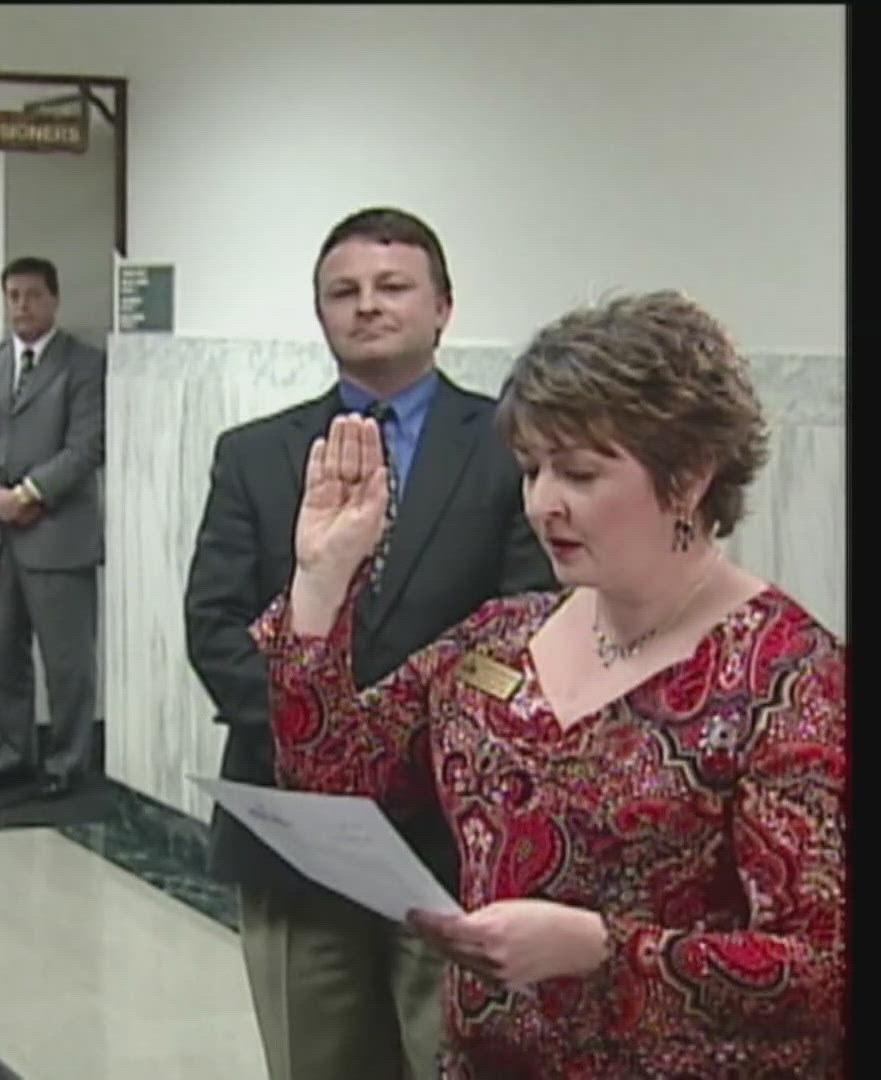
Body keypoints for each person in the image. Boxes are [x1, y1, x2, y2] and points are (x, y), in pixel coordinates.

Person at [254, 291, 847, 1077]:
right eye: (532, 470)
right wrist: (322, 583)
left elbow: (818, 970)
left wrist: (598, 950)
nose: (542, 504)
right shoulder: (502, 637)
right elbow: (330, 777)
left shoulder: (787, 677)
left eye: (580, 473)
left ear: (692, 476)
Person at [185, 206, 554, 1080]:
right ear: (319, 313)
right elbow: (217, 626)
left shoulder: (514, 448)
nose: (368, 306)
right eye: (343, 292)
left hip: (452, 828)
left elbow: (531, 623)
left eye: (393, 287)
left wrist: (398, 755)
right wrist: (320, 760)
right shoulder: (256, 454)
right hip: (292, 827)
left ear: (443, 308)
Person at [0, 256, 107, 799]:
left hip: (56, 533)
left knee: (67, 660)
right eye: (13, 296)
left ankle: (68, 762)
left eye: (33, 296)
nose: (22, 306)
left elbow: (86, 445)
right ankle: (11, 753)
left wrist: (31, 493)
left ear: (54, 300)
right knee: (1, 654)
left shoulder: (83, 365)